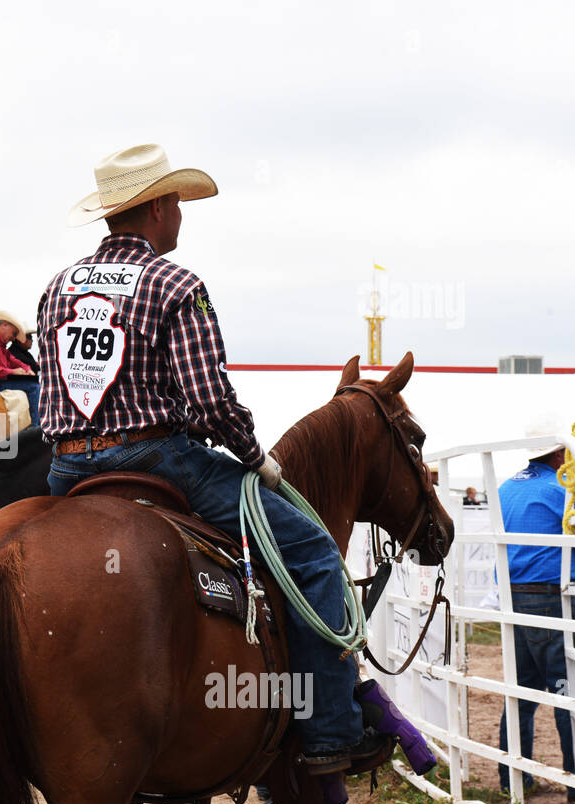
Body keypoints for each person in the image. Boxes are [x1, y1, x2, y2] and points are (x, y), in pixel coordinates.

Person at [37, 143, 378, 771]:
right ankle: (333, 732)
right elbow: (210, 400)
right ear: (160, 207)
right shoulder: (177, 285)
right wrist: (256, 457)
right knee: (312, 552)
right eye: (178, 204)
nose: (182, 217)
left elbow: (50, 390)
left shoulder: (58, 287)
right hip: (156, 460)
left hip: (66, 468)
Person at [496, 423, 575, 803]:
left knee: (521, 691)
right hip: (551, 598)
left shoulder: (504, 488)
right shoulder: (561, 492)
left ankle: (512, 777)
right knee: (569, 691)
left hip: (513, 599)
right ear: (559, 454)